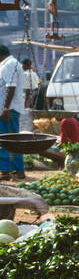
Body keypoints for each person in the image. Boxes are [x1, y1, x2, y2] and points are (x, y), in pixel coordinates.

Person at [0, 45, 27, 180]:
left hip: (9, 110)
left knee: (9, 140)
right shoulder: (10, 63)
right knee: (8, 140)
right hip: (8, 109)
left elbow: (11, 87)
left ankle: (12, 170)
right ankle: (9, 170)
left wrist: (5, 109)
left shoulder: (9, 65)